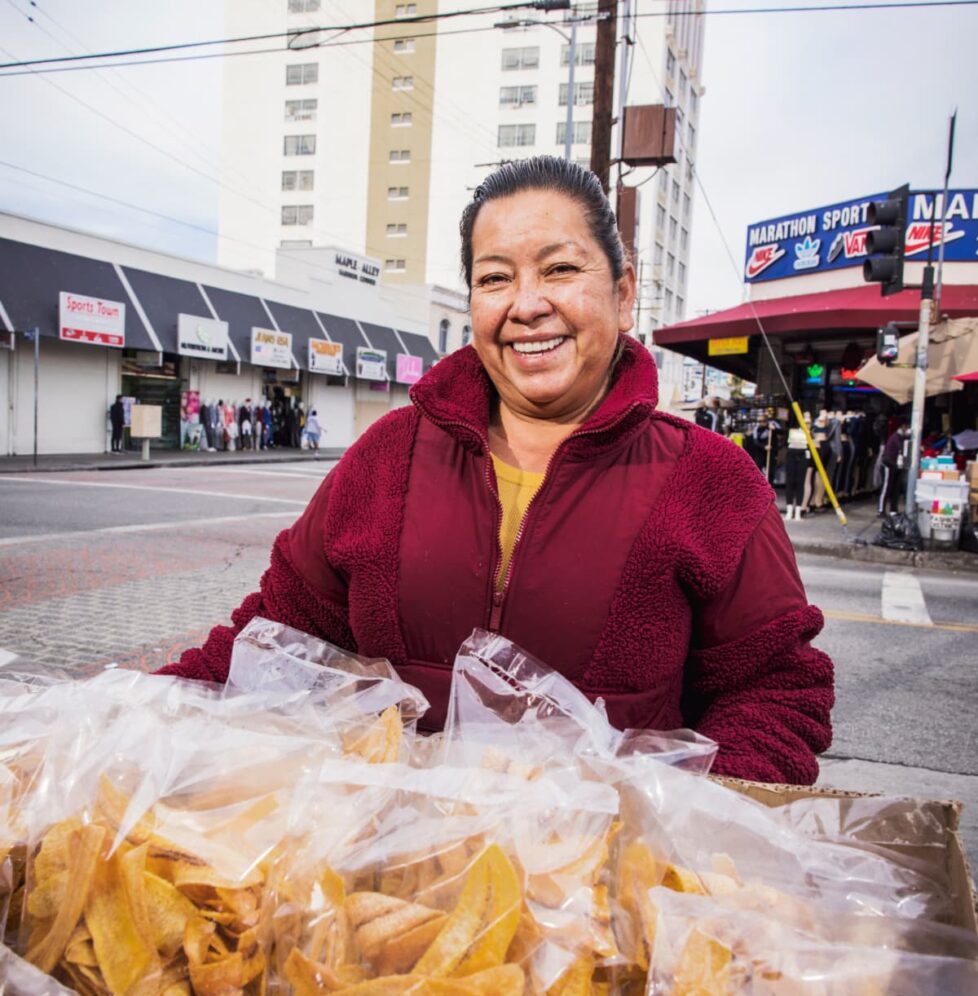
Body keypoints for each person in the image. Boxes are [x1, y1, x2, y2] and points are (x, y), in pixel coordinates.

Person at [158, 157, 833, 785]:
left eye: (560, 269)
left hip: (602, 866)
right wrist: (137, 714)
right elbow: (272, 640)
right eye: (495, 278)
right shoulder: (386, 456)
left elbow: (775, 694)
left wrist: (674, 831)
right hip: (394, 853)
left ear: (623, 293)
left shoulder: (711, 480)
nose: (526, 304)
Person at [879, 419, 911, 516]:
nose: (908, 430)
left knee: (896, 489)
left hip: (897, 466)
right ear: (903, 427)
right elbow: (902, 448)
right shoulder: (896, 437)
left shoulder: (901, 437)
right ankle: (881, 510)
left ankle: (893, 510)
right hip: (888, 465)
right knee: (886, 488)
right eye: (907, 427)